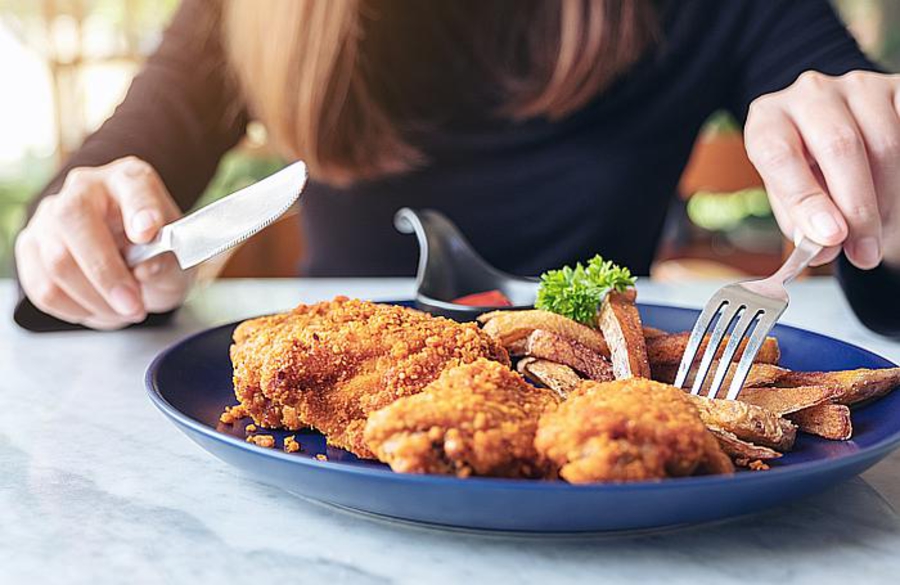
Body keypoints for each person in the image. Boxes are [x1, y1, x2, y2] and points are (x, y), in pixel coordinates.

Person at [13, 0, 900, 335]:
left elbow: (883, 274)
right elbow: (84, 202)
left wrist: (879, 181)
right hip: (322, 459)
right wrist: (80, 241)